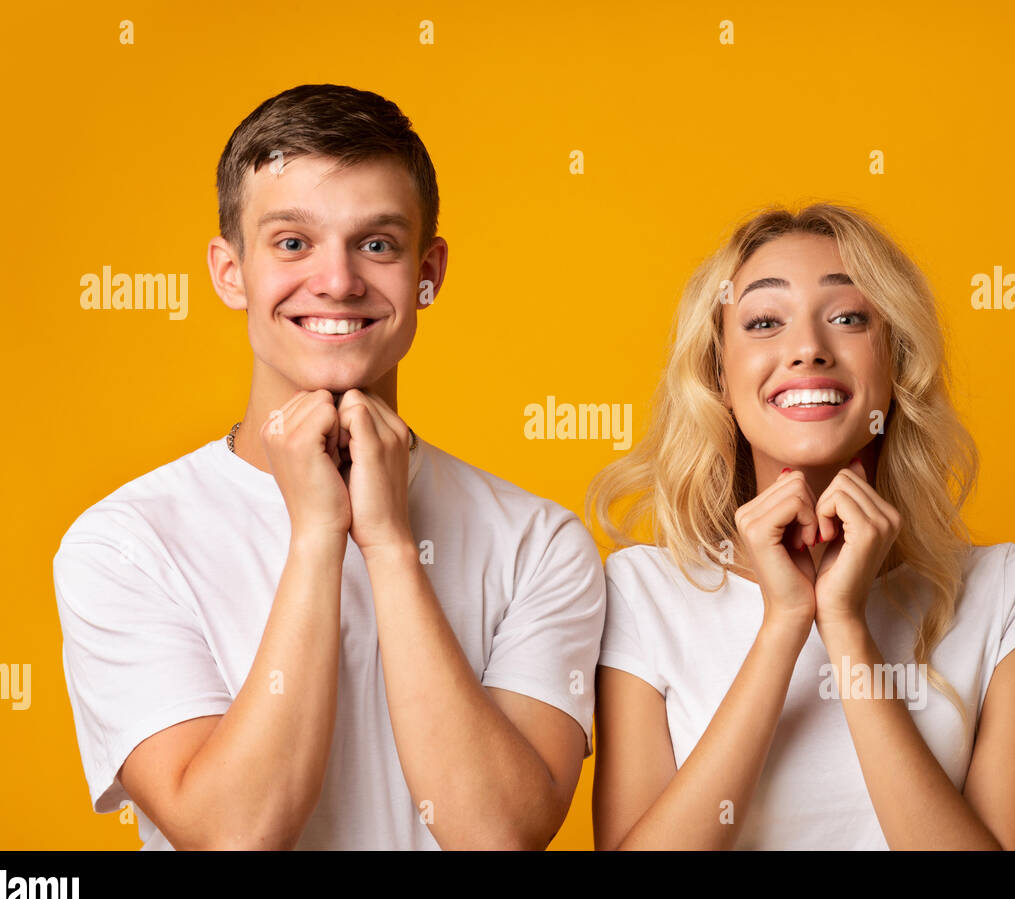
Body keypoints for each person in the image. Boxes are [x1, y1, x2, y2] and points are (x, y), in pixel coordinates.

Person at [52, 84, 605, 850]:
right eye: (291, 243)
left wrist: (385, 543)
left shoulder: (541, 544)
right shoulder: (123, 544)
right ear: (229, 271)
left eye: (377, 243)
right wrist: (317, 536)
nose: (338, 280)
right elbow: (231, 835)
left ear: (428, 271)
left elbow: (496, 837)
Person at [585, 203, 1015, 850]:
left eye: (848, 318)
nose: (807, 350)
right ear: (719, 374)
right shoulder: (642, 591)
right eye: (764, 322)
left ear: (898, 361)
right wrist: (785, 623)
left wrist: (846, 627)